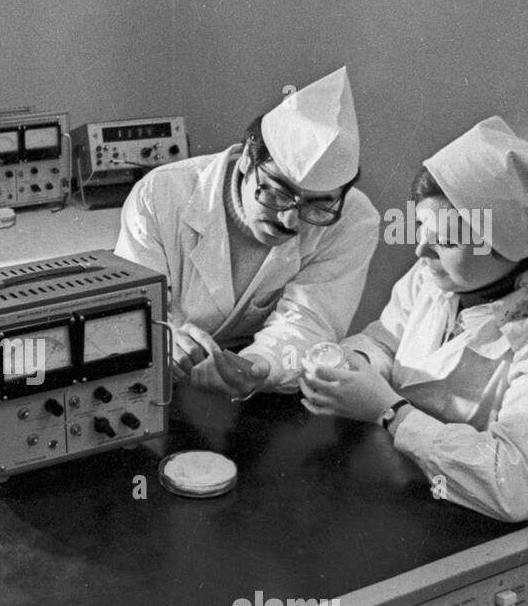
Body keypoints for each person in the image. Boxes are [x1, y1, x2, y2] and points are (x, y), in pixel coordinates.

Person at [300, 116, 528, 522]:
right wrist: (358, 365)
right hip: (406, 490)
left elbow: (516, 484)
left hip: (477, 518)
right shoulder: (435, 279)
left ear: (511, 247)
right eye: (421, 228)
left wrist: (391, 412)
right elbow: (385, 340)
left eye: (447, 240)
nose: (421, 251)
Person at [114, 67, 380, 399]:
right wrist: (164, 339)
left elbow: (309, 319)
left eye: (317, 205)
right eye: (277, 192)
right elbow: (135, 314)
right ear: (246, 160)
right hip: (162, 380)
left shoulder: (354, 219)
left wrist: (260, 366)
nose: (290, 220)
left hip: (265, 388)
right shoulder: (160, 194)